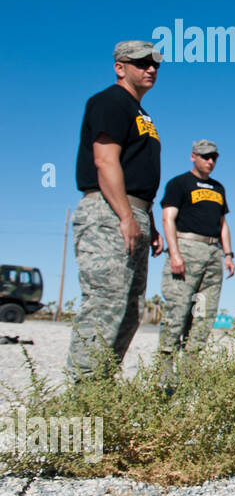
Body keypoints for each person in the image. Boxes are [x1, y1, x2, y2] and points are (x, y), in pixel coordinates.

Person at [66, 40, 166, 378]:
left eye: (155, 63)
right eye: (141, 62)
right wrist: (125, 215)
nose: (150, 68)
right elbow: (105, 161)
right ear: (120, 67)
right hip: (107, 211)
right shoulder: (109, 101)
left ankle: (102, 391)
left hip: (134, 212)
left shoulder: (142, 114)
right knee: (105, 304)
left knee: (130, 309)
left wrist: (146, 221)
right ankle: (83, 396)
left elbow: (136, 171)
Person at [158, 140, 234, 362]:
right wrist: (174, 253)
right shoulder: (179, 184)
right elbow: (168, 218)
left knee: (203, 313)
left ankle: (191, 366)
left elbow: (223, 224)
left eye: (214, 157)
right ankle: (164, 366)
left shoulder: (218, 188)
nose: (210, 161)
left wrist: (228, 254)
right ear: (193, 157)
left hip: (213, 253)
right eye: (205, 156)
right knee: (178, 310)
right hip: (186, 249)